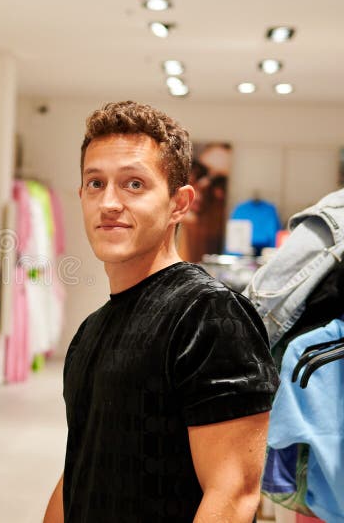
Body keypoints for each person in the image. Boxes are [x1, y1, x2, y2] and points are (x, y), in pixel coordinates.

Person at [43, 101, 279, 522]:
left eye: (134, 184)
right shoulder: (90, 330)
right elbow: (82, 466)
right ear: (80, 196)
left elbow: (233, 495)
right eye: (95, 184)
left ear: (179, 203)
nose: (109, 202)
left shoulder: (209, 314)